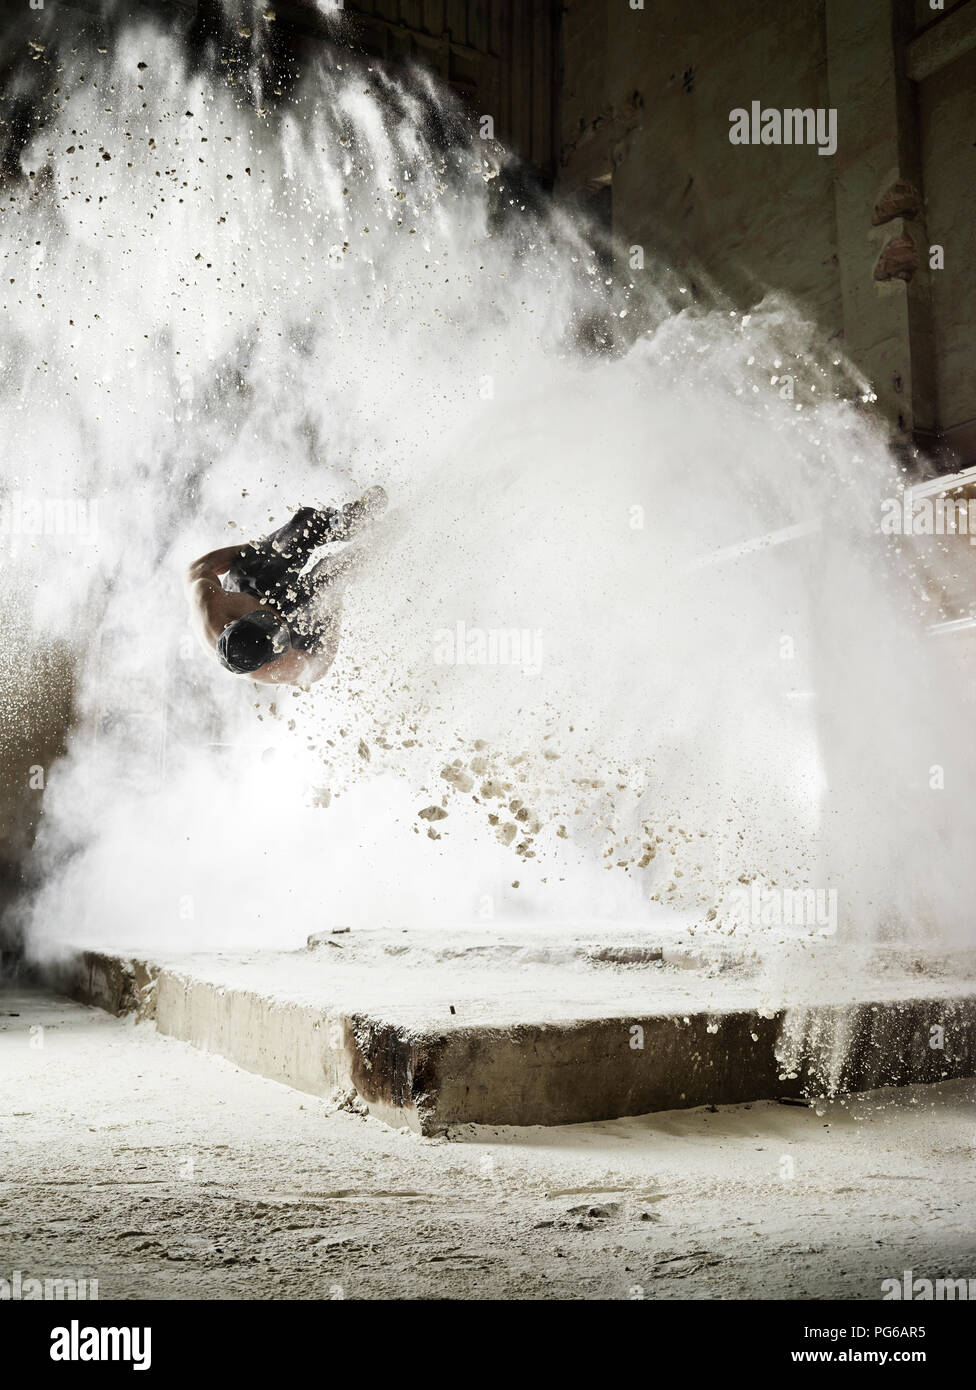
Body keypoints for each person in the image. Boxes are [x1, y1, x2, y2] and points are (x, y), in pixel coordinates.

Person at [185, 487, 387, 685]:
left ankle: (341, 523)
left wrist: (256, 549)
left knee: (298, 534)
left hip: (252, 587)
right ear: (272, 654)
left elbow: (200, 567)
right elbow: (320, 667)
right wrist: (334, 604)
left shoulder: (208, 600)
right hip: (294, 628)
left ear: (231, 622)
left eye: (262, 618)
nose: (274, 620)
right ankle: (384, 537)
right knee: (332, 574)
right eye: (274, 630)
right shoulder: (275, 668)